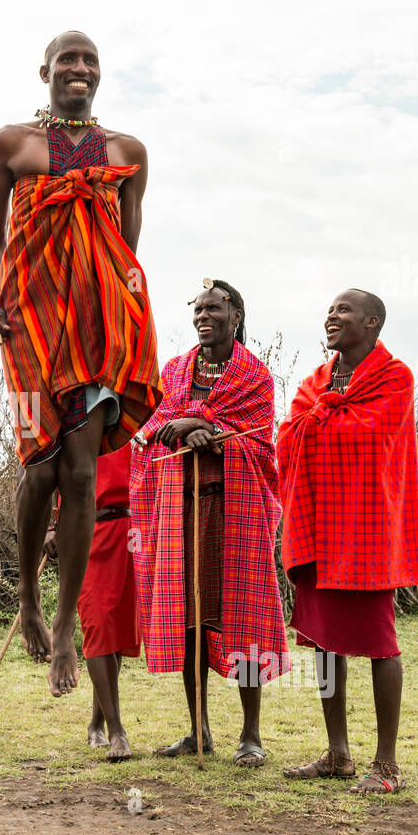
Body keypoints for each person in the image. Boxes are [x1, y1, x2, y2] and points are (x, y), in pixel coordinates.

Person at [0, 30, 159, 697]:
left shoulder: (126, 152)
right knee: (39, 463)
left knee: (82, 470)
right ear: (45, 72)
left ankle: (63, 627)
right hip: (28, 320)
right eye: (67, 61)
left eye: (88, 61)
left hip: (98, 325)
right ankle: (27, 593)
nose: (78, 70)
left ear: (99, 74)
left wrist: (126, 316)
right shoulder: (10, 143)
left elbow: (126, 246)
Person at [130, 280, 288, 766]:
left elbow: (262, 445)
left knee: (244, 618)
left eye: (214, 308)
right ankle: (197, 731)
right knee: (189, 619)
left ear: (235, 315)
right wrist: (177, 428)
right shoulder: (174, 371)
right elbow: (151, 429)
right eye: (198, 309)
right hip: (178, 508)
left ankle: (251, 735)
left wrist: (213, 434)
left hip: (232, 508)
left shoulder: (255, 377)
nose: (203, 316)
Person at [278, 290, 418, 793]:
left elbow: (365, 436)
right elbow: (289, 434)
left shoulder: (395, 377)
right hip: (319, 529)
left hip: (366, 532)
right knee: (324, 643)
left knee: (381, 644)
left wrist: (320, 422)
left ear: (372, 322)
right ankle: (338, 753)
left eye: (343, 310)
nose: (331, 316)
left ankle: (386, 764)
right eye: (329, 309)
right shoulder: (317, 381)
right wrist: (321, 420)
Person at [45, 445, 140, 760]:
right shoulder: (72, 418)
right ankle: (117, 731)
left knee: (117, 631)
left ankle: (97, 723)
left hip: (129, 529)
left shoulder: (134, 411)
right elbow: (43, 470)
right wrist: (48, 526)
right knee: (97, 625)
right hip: (84, 530)